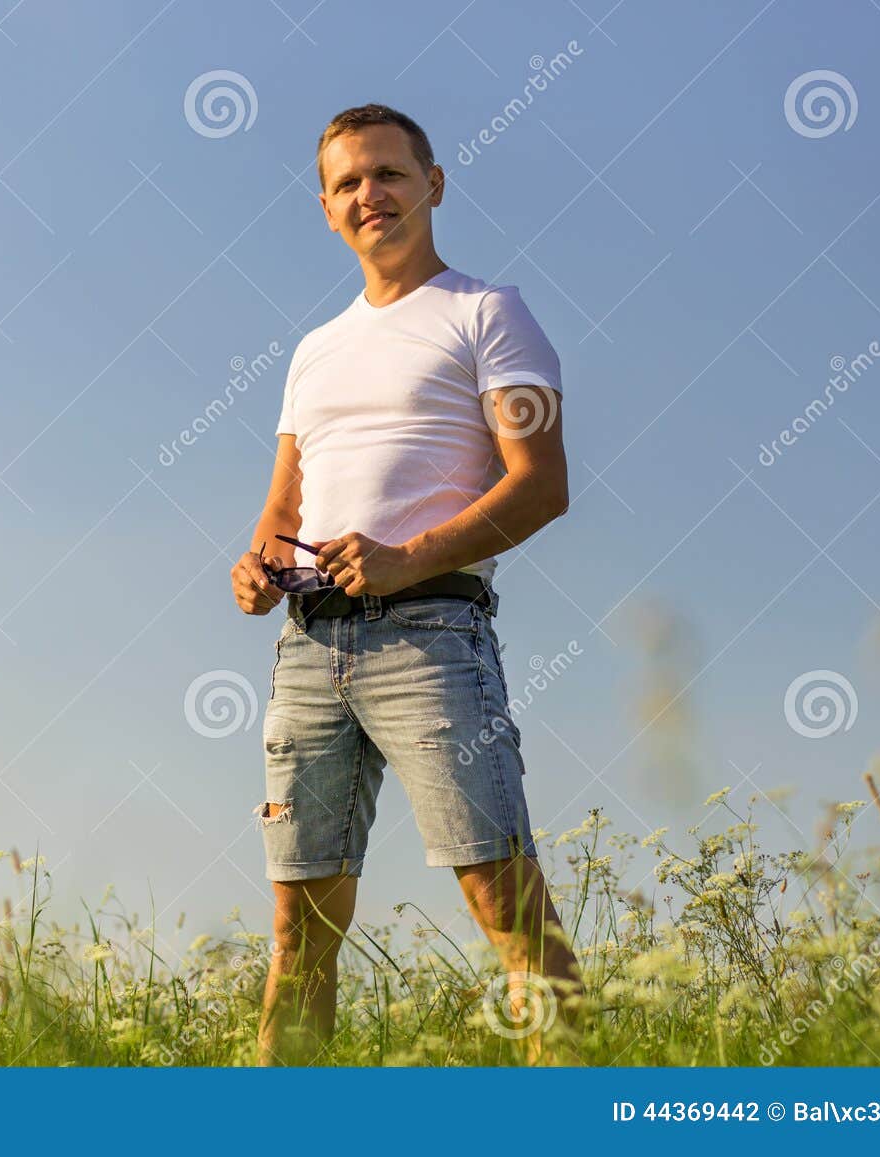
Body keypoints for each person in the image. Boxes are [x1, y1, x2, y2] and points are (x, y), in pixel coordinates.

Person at [229, 103, 582, 1065]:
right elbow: (284, 508)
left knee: (504, 903)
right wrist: (260, 563)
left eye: (387, 173)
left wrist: (405, 558)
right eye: (347, 182)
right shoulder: (313, 350)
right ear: (326, 208)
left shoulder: (487, 312)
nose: (368, 194)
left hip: (433, 637)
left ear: (433, 184)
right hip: (308, 649)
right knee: (298, 931)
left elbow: (542, 484)